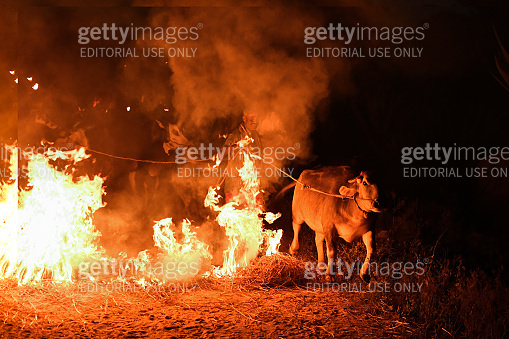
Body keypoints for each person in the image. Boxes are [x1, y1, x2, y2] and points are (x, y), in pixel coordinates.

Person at [223, 109, 264, 206]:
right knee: (235, 217)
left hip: (252, 185)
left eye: (257, 118)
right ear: (244, 119)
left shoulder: (256, 135)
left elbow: (260, 159)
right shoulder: (236, 135)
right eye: (252, 118)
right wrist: (238, 145)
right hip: (234, 185)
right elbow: (222, 152)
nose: (255, 121)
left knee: (255, 215)